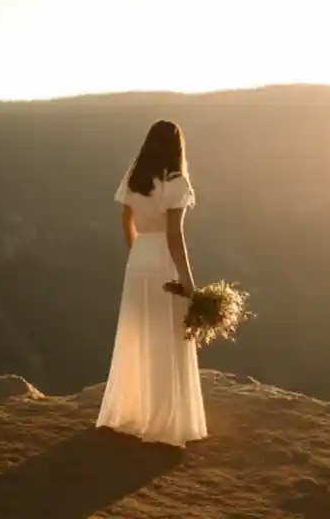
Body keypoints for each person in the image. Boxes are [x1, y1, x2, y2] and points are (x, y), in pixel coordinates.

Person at [96, 119, 208, 446]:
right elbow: (175, 236)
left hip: (139, 258)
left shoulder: (136, 175)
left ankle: (134, 411)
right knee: (166, 335)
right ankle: (164, 419)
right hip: (162, 260)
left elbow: (125, 220)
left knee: (137, 333)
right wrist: (189, 283)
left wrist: (138, 254)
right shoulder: (175, 183)